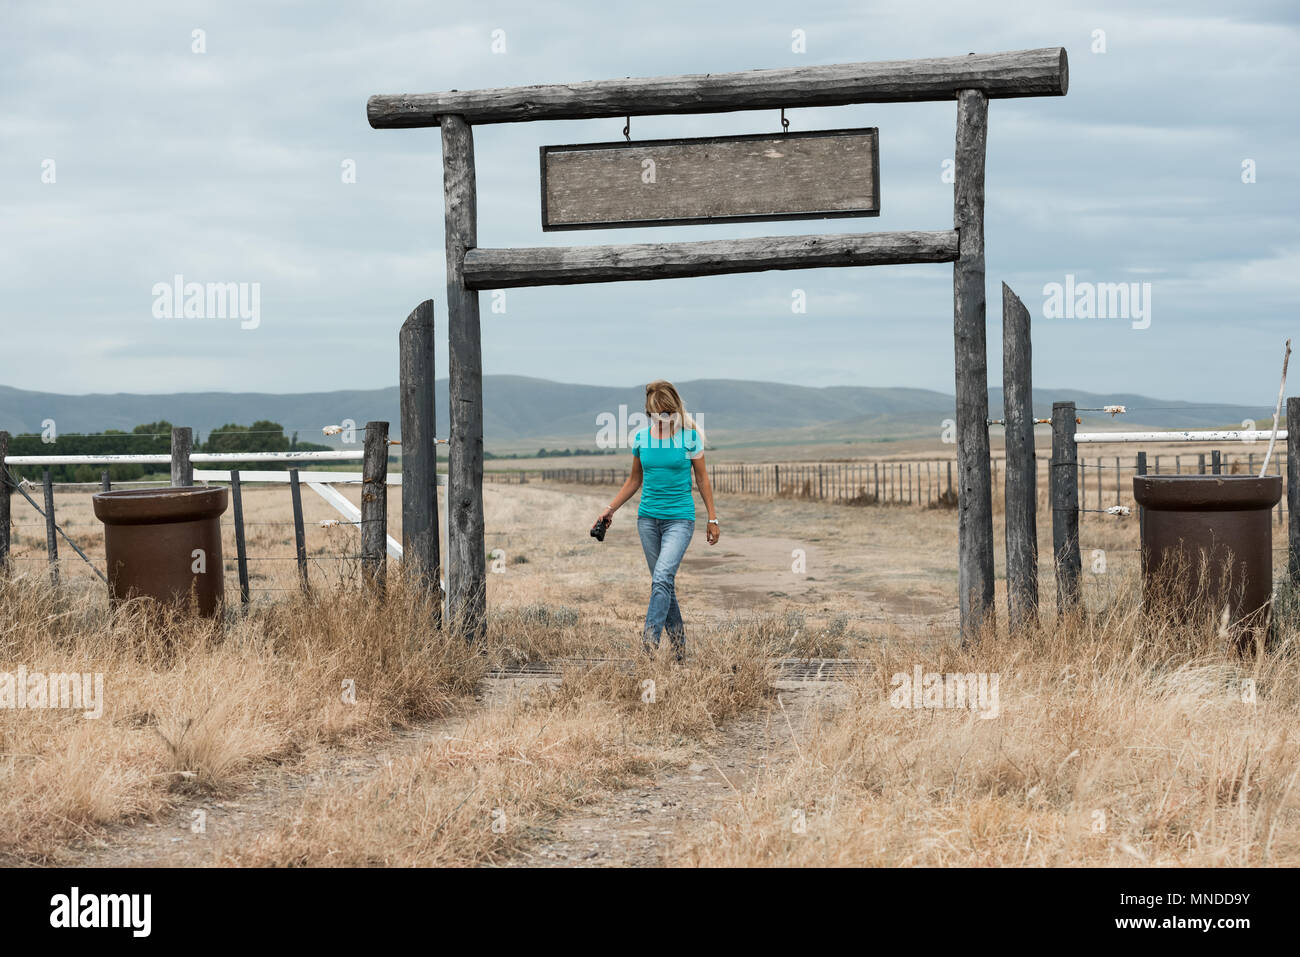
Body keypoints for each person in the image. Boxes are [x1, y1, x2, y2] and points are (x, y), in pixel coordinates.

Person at [596, 380, 719, 660]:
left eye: (666, 413)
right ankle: (679, 653)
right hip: (648, 520)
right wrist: (610, 508)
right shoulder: (641, 439)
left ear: (674, 410)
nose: (661, 419)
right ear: (648, 413)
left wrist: (713, 518)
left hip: (680, 520)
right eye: (654, 414)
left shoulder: (689, 438)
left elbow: (702, 478)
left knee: (662, 578)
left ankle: (647, 648)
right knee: (663, 584)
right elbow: (634, 479)